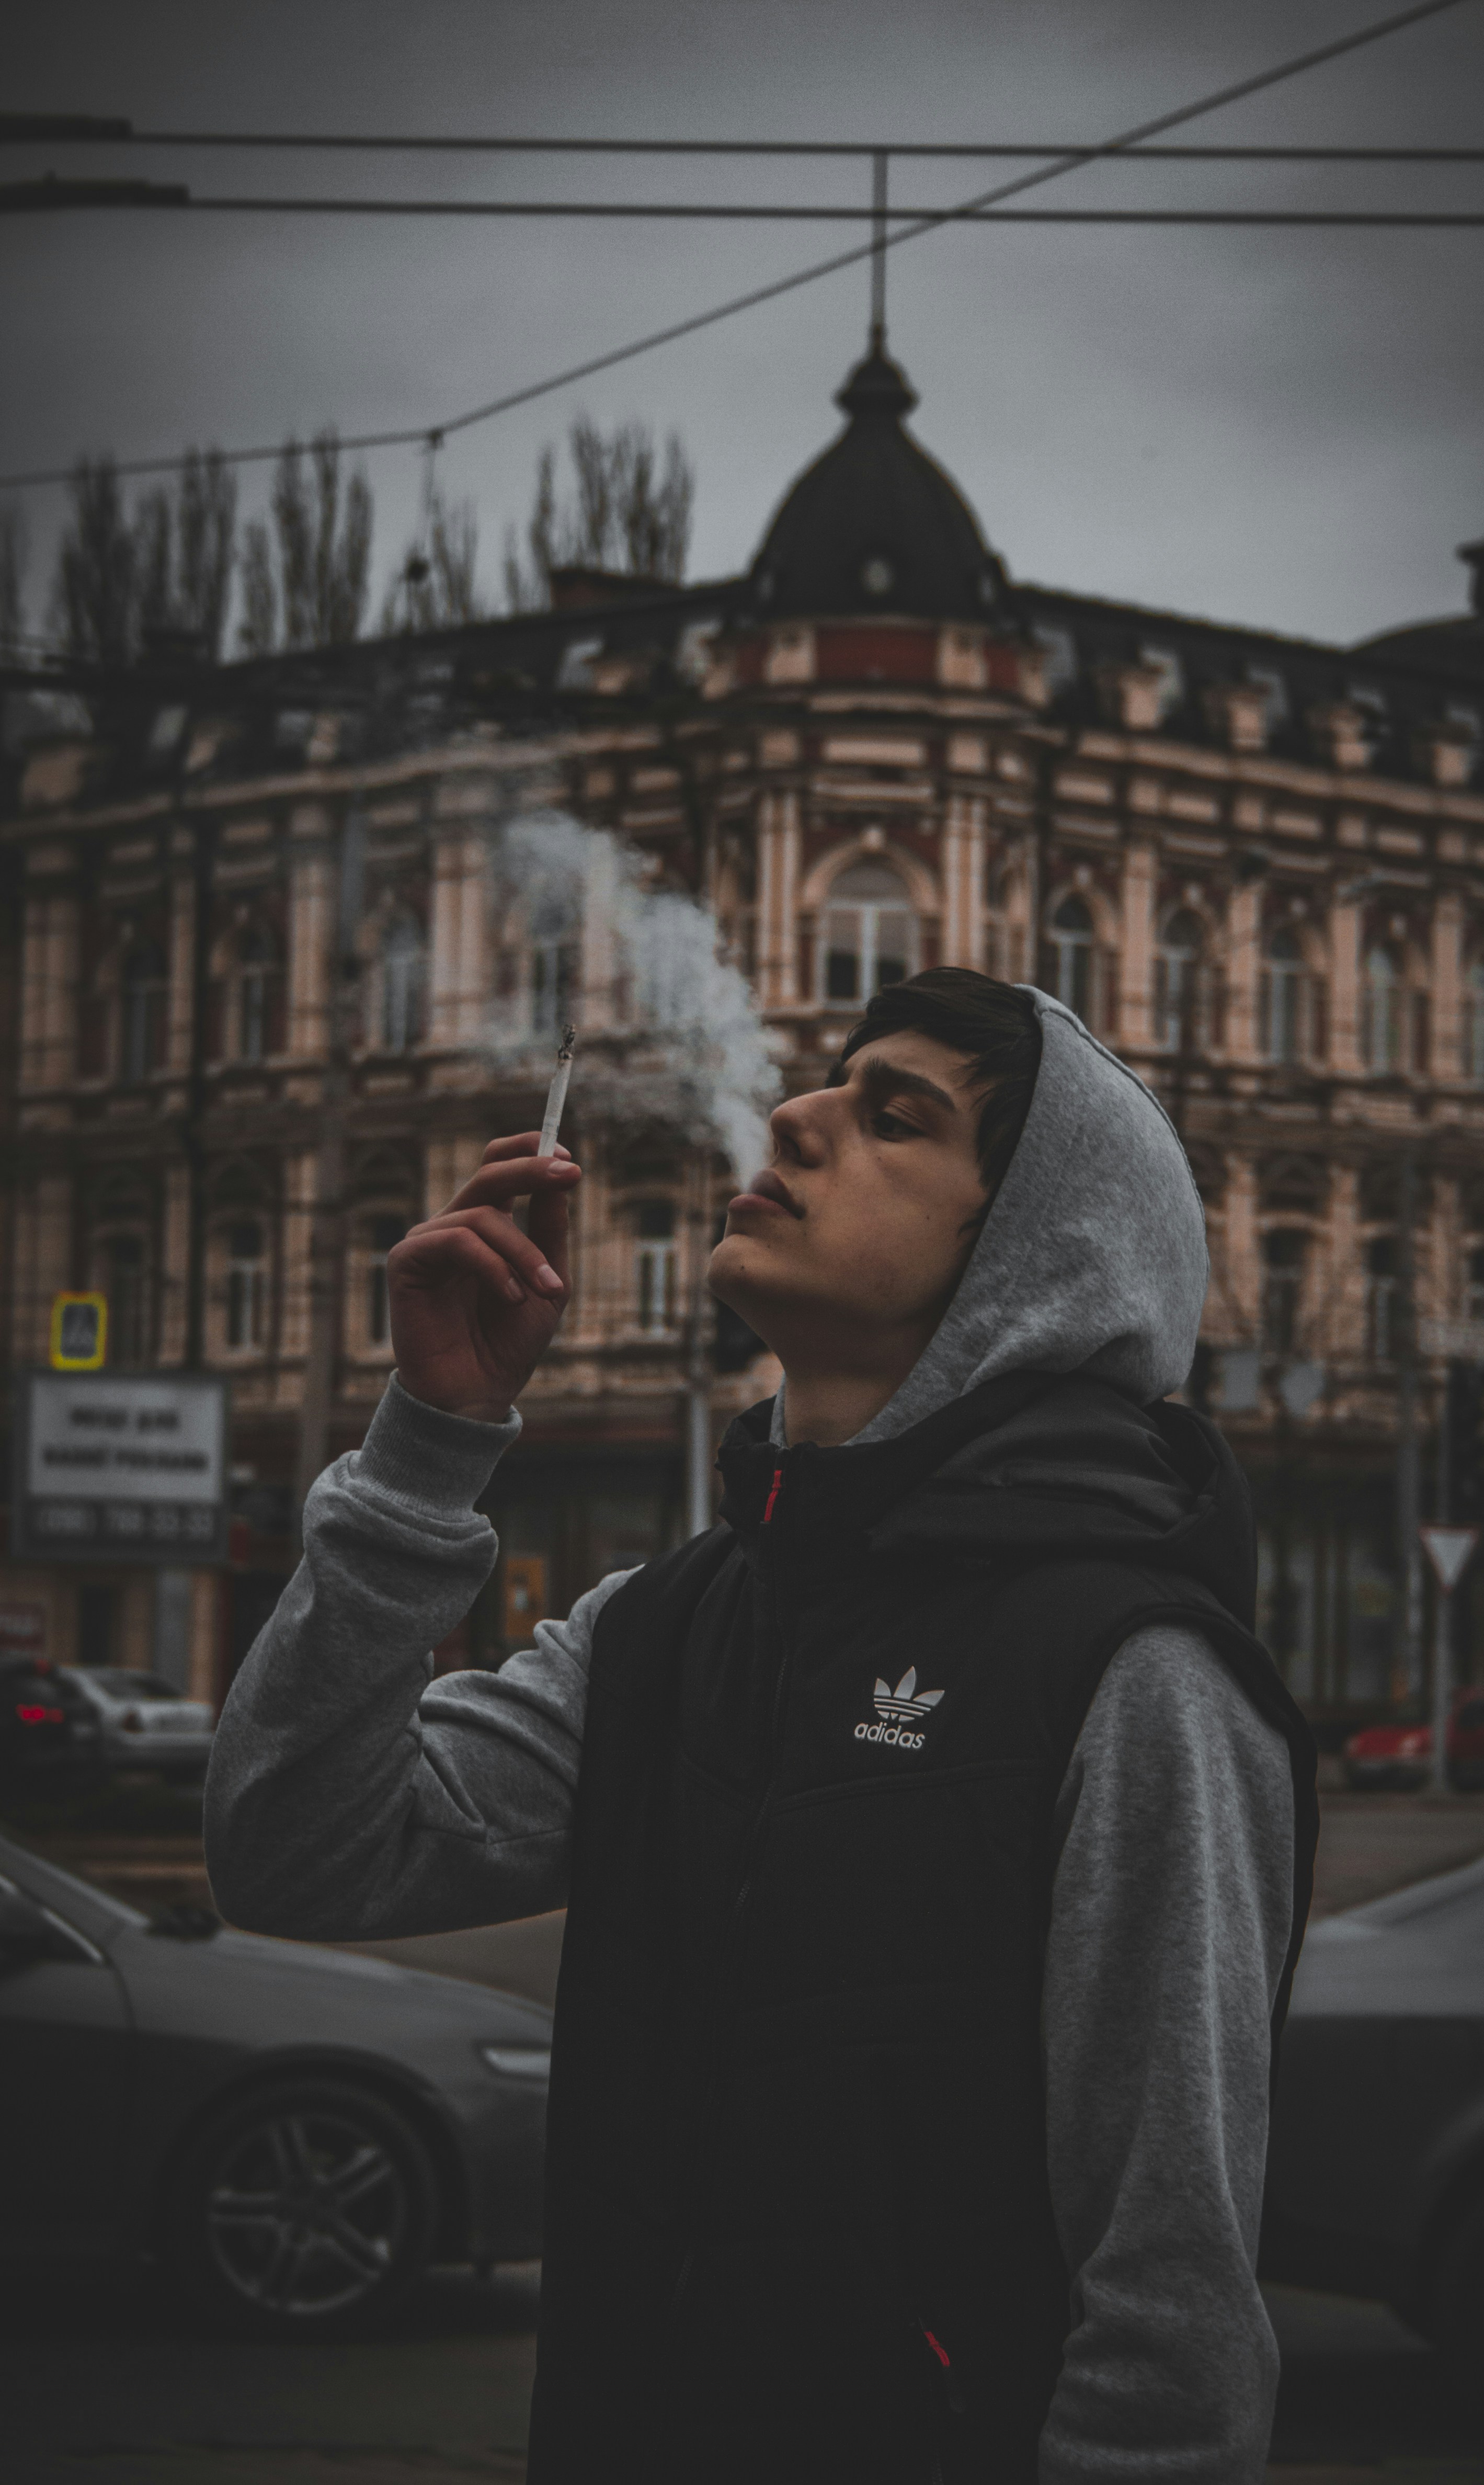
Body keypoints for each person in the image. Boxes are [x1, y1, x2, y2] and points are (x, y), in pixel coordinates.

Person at [206, 967, 1318, 2485]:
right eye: (823, 1086)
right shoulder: (665, 1630)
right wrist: (428, 1442)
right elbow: (295, 1857)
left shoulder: (1131, 1672)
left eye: (893, 1118)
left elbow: (1172, 2309)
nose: (795, 1116)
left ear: (1033, 1256)